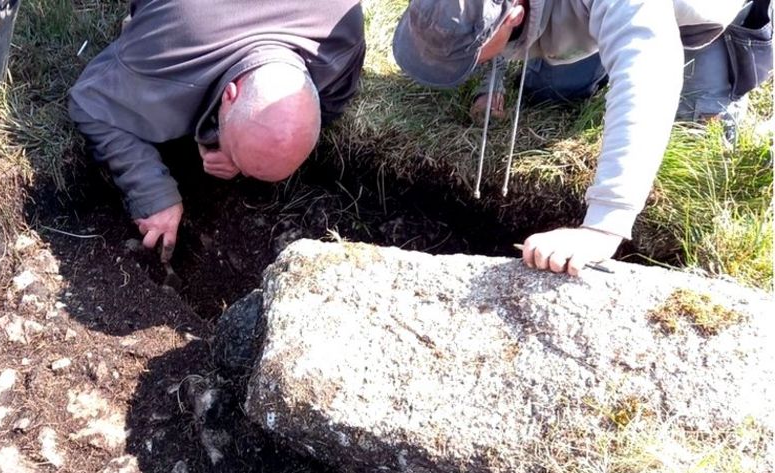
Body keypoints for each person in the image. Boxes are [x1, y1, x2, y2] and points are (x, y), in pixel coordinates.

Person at [393, 0, 772, 276]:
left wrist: (604, 226)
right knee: (553, 89)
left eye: (469, 56)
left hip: (703, 16)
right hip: (587, 11)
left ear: (514, 16)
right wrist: (490, 77)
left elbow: (650, 74)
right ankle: (605, 42)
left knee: (694, 136)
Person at [69, 0, 366, 260]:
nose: (234, 170)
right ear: (229, 95)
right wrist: (152, 193)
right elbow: (91, 104)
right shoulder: (166, 50)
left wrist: (227, 141)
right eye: (238, 161)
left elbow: (328, 107)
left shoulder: (341, 37)